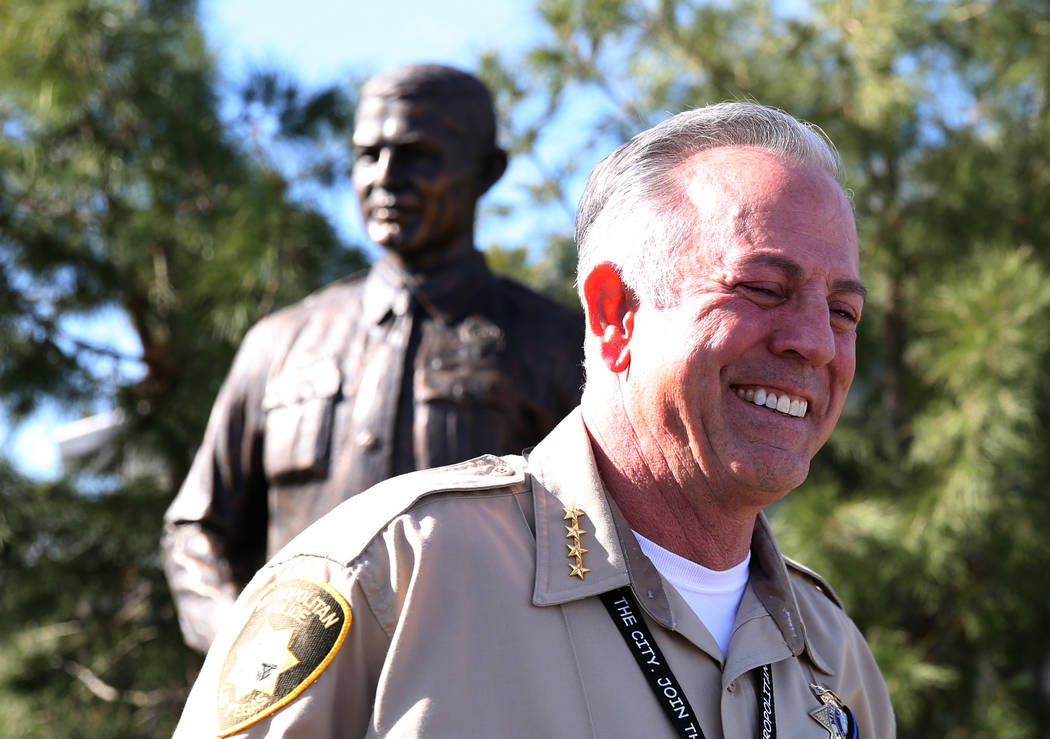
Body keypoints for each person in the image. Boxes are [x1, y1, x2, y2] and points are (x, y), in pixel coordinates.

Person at [172, 101, 895, 737]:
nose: (815, 342)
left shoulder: (835, 657)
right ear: (616, 312)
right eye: (765, 288)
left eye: (844, 312)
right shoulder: (394, 577)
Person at [161, 64, 585, 653]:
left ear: (486, 172)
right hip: (295, 699)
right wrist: (242, 648)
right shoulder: (278, 343)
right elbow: (197, 529)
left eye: (417, 155)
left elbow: (602, 539)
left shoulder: (555, 345)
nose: (385, 178)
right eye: (368, 155)